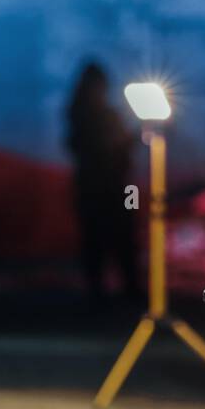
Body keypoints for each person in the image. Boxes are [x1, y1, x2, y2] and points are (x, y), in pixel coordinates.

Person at [66, 61, 142, 308]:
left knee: (113, 242)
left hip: (104, 188)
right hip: (100, 189)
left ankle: (116, 292)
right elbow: (105, 148)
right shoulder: (85, 116)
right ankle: (110, 293)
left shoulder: (82, 115)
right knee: (102, 242)